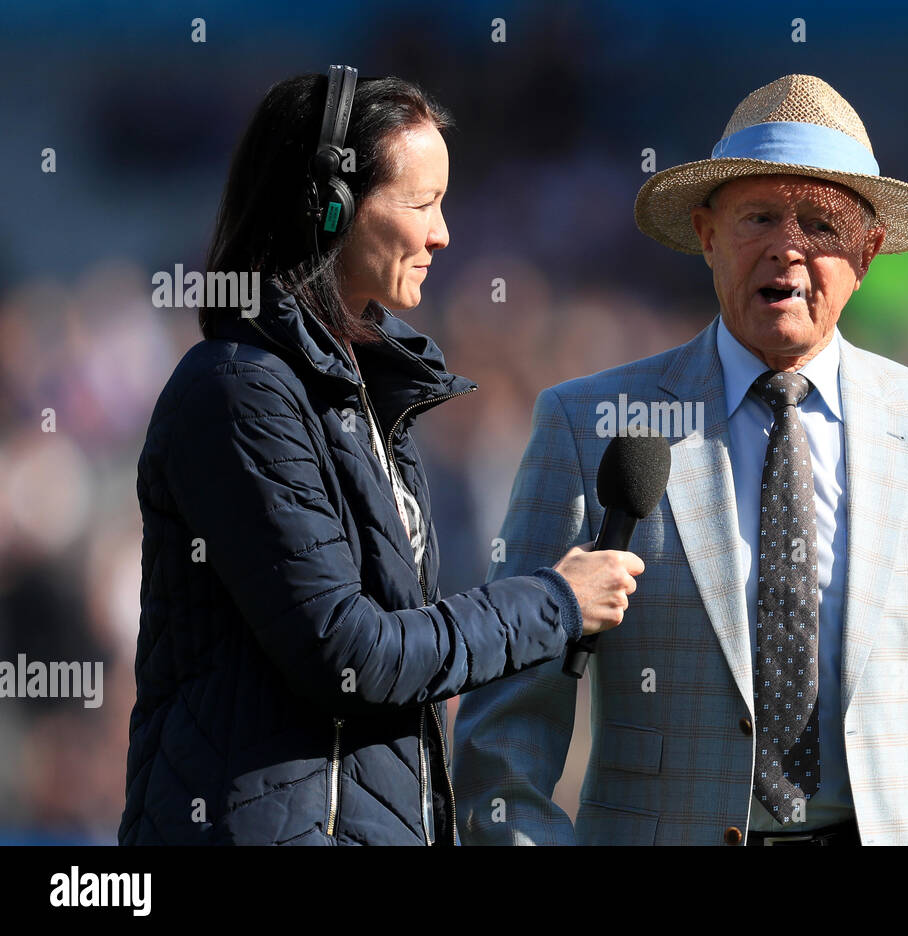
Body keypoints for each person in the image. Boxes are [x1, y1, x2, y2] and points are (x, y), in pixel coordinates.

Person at [452, 74, 908, 845]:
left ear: (868, 251)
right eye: (759, 215)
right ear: (706, 234)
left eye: (822, 222)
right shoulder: (589, 424)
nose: (787, 247)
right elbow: (511, 702)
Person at [118, 66, 643, 846]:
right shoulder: (237, 391)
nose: (444, 234)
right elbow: (352, 655)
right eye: (423, 204)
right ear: (328, 208)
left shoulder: (363, 395)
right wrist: (553, 604)